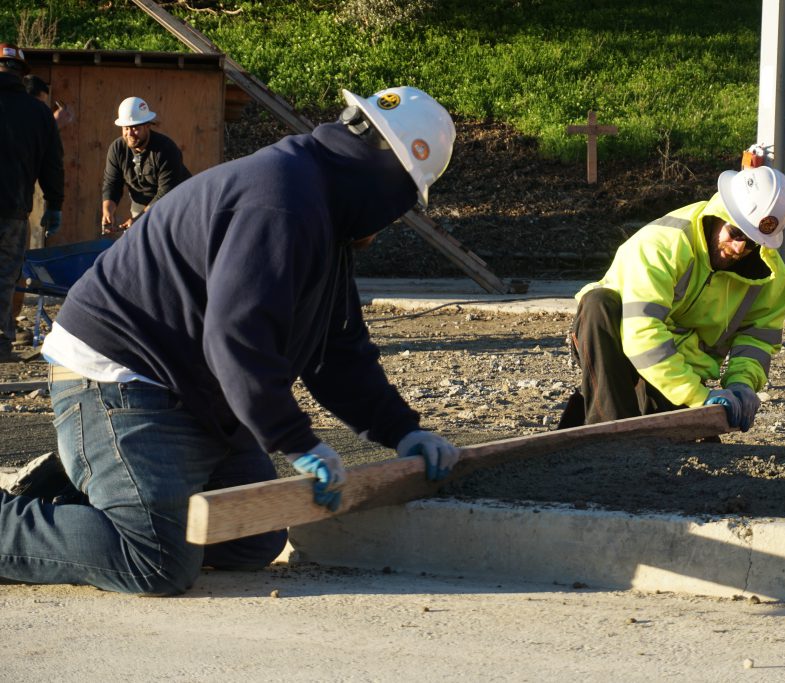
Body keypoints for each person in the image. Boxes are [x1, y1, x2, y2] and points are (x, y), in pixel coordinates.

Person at [0, 85, 461, 596]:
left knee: (252, 536)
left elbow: (335, 351)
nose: (394, 218)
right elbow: (238, 339)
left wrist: (401, 430)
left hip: (189, 388)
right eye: (404, 200)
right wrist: (296, 441)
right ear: (387, 175)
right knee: (155, 559)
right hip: (122, 375)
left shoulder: (322, 210)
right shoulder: (283, 199)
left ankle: (96, 486)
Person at [561, 164, 785, 432]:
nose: (740, 248)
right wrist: (696, 397)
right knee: (598, 303)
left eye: (753, 242)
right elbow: (642, 334)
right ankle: (610, 431)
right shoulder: (662, 244)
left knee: (666, 435)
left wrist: (742, 384)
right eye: (736, 233)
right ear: (721, 215)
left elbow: (756, 341)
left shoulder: (772, 277)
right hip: (617, 348)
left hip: (681, 365)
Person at [0, 43, 63, 359]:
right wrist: (54, 204)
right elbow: (53, 164)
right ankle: (0, 342)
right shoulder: (39, 113)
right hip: (12, 209)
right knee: (6, 274)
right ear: (22, 75)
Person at [100, 96, 191, 233]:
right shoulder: (117, 149)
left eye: (135, 128)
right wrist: (108, 211)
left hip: (176, 205)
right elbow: (112, 184)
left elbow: (166, 192)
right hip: (141, 206)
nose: (129, 133)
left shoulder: (166, 149)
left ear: (148, 125)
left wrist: (139, 220)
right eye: (126, 128)